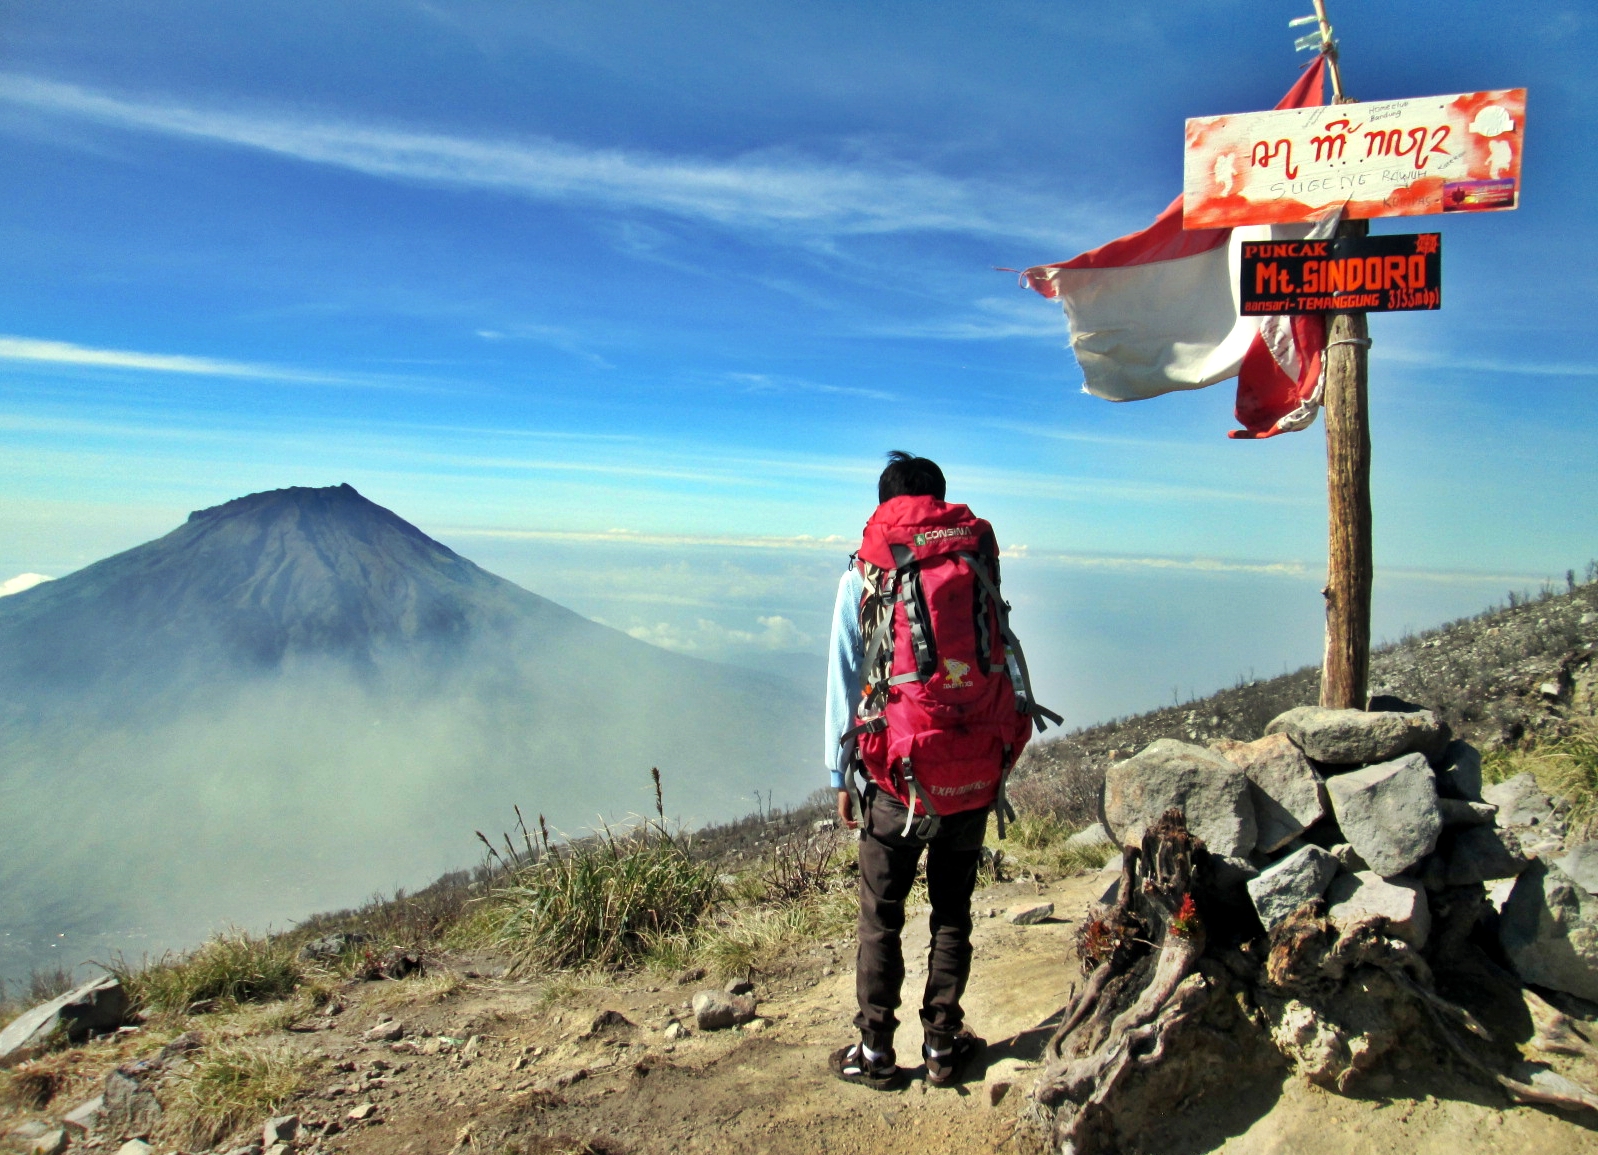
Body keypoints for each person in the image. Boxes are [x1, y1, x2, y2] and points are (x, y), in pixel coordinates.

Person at [824, 450, 1042, 1090]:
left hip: (897, 777)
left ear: (883, 503)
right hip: (973, 770)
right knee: (953, 913)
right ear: (940, 500)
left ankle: (877, 1054)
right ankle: (945, 1048)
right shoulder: (974, 561)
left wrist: (840, 774)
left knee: (881, 916)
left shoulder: (866, 570)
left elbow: (843, 674)